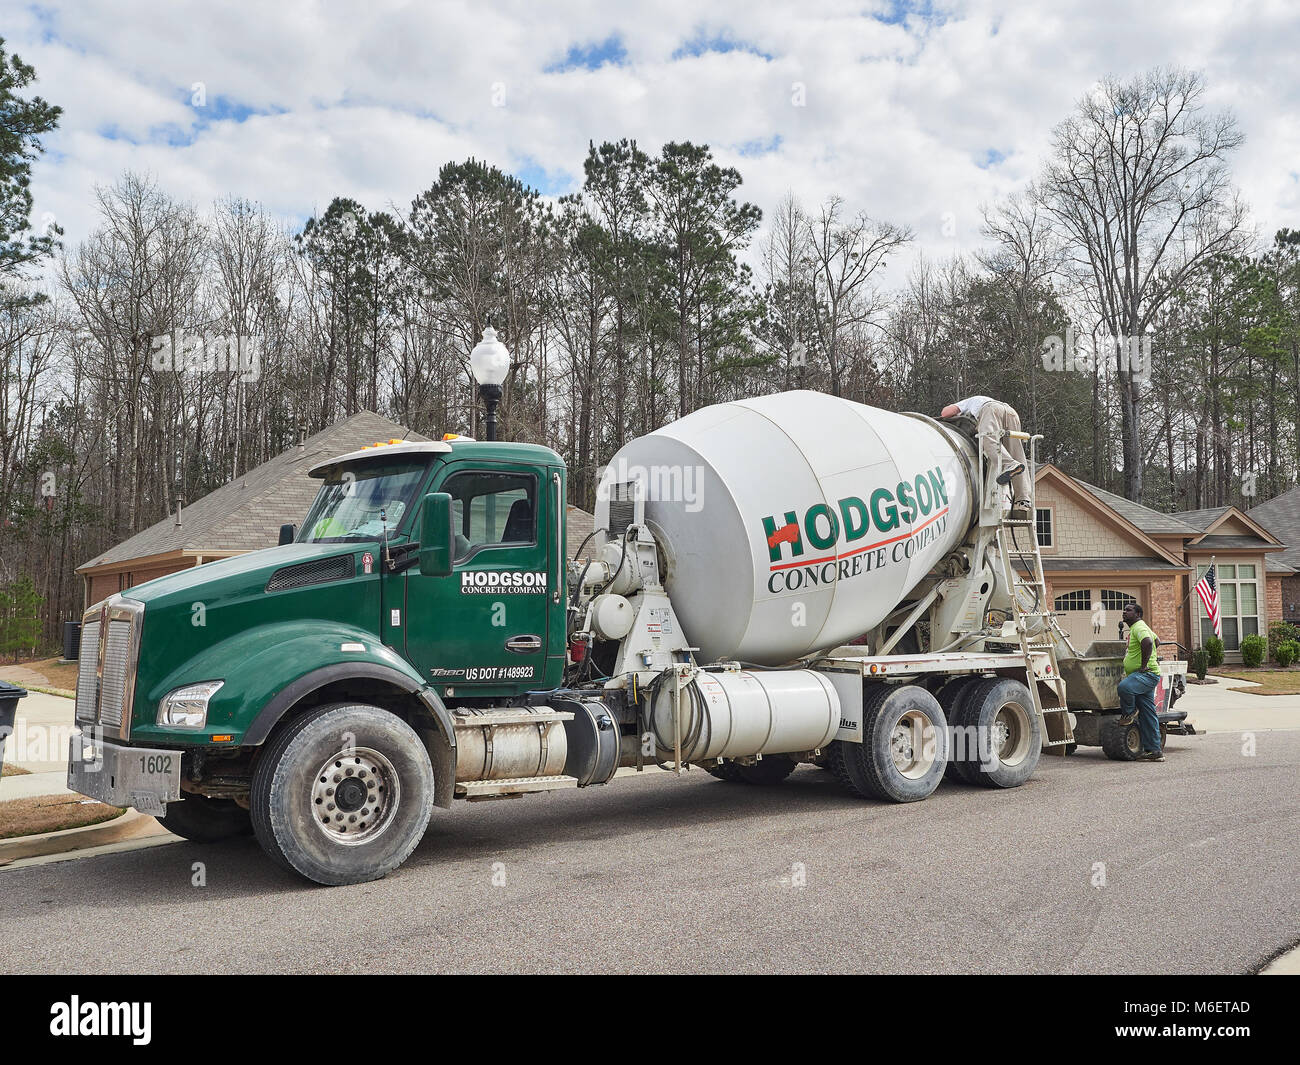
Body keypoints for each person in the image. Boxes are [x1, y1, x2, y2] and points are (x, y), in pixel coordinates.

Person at [939, 396, 1032, 519]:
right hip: (1012, 413)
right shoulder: (983, 399)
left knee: (988, 438)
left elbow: (945, 413)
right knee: (1016, 453)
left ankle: (1007, 464)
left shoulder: (966, 403)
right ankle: (1023, 500)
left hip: (991, 410)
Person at [1117, 602, 1163, 761]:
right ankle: (1154, 751)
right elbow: (1157, 641)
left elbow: (1149, 642)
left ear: (1137, 614)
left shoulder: (1139, 627)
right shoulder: (1140, 627)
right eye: (1124, 609)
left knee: (1124, 688)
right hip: (1146, 675)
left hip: (1146, 675)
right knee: (1148, 714)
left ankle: (1129, 714)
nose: (1124, 612)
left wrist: (1144, 665)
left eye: (1128, 610)